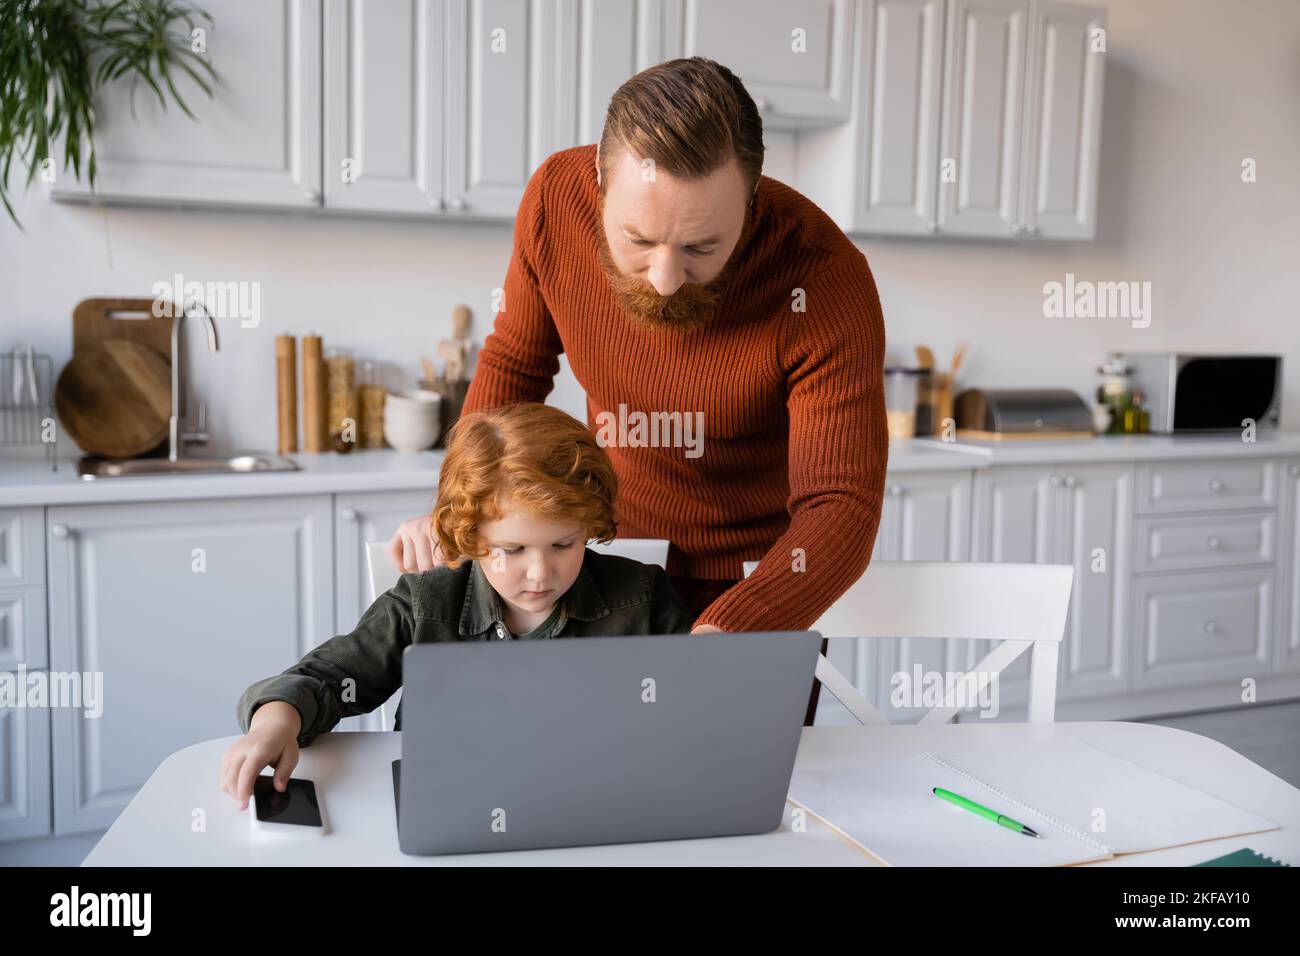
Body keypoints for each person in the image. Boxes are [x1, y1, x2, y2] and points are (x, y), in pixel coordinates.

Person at [389, 57, 889, 725]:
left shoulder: (824, 279)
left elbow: (841, 505)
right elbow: (515, 365)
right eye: (638, 240)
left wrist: (728, 636)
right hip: (601, 563)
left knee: (732, 804)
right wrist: (462, 502)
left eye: (702, 247)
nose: (665, 279)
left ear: (753, 199)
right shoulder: (553, 203)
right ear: (598, 183)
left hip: (753, 586)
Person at [221, 402, 694, 810]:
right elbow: (323, 680)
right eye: (512, 550)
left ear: (588, 527)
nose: (539, 573)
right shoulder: (426, 604)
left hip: (601, 808)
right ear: (470, 536)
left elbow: (700, 706)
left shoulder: (642, 596)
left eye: (562, 544)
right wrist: (274, 724)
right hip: (454, 808)